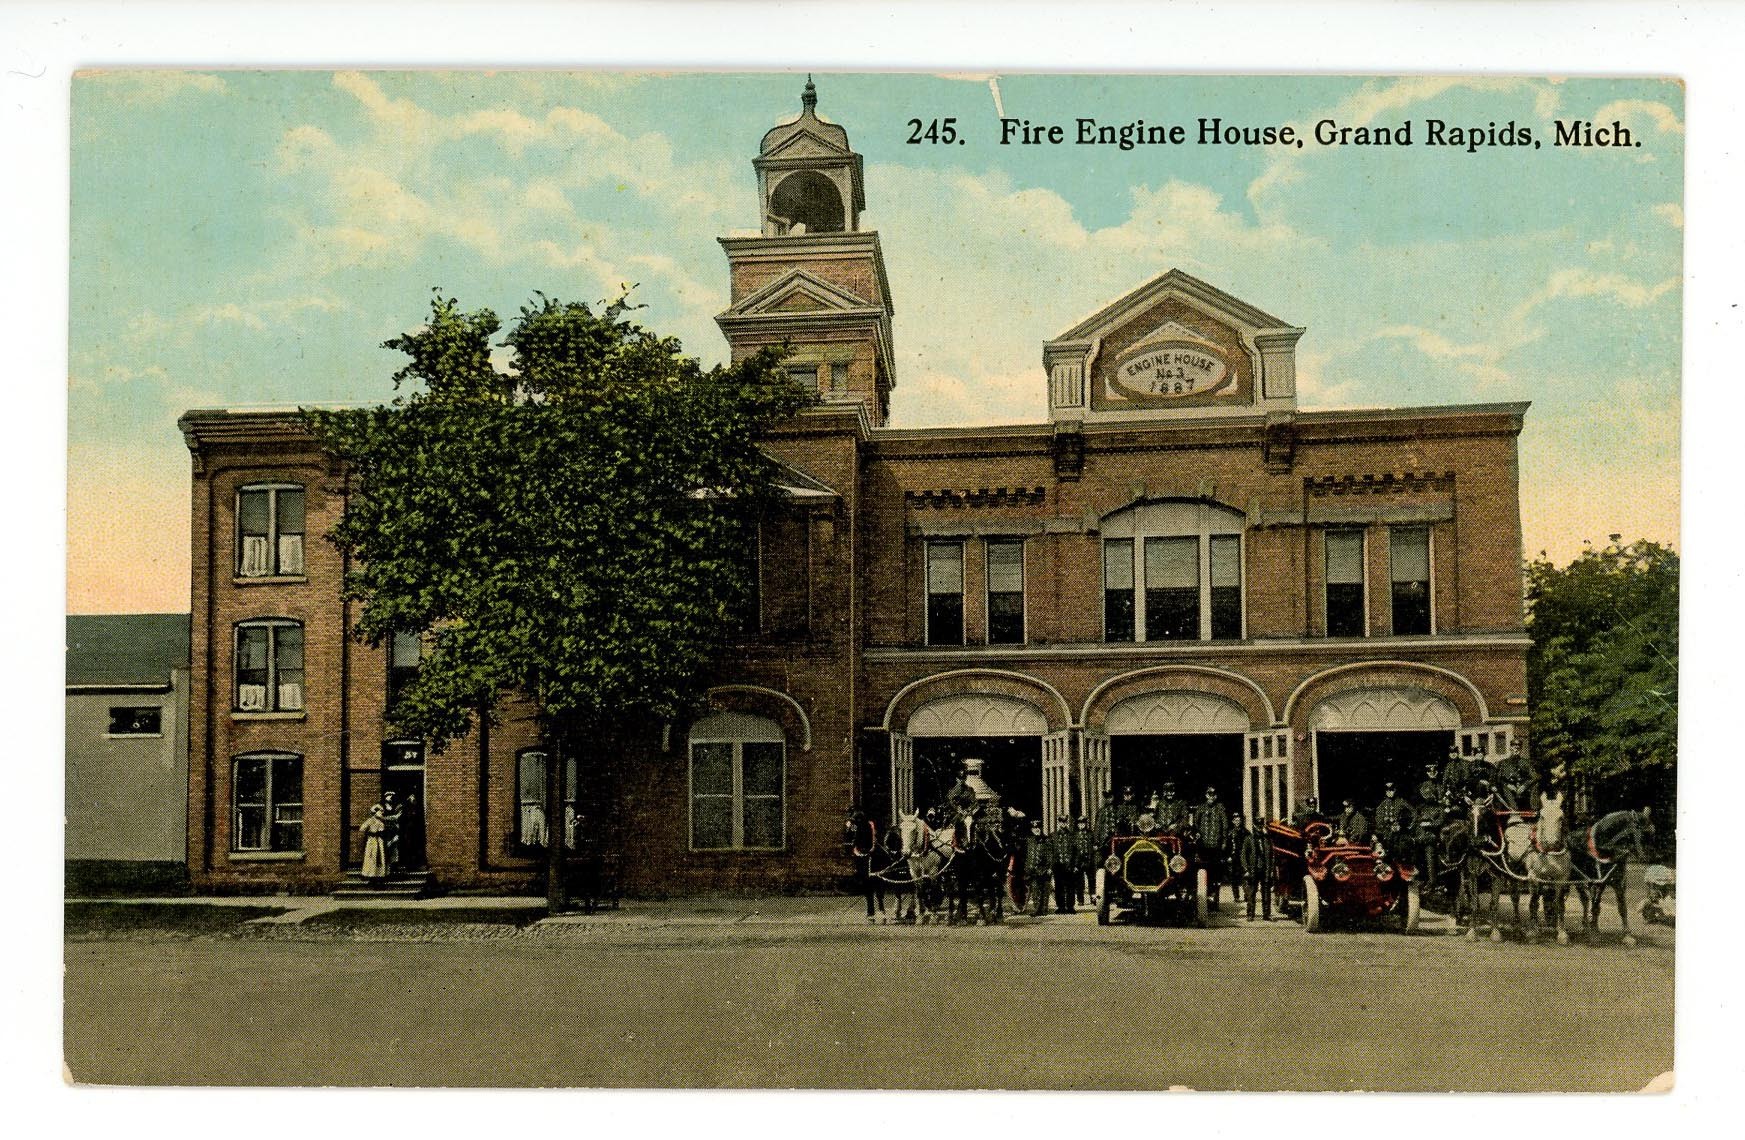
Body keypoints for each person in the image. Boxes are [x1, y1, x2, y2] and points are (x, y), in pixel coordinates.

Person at [1192, 785, 1231, 906]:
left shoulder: (1220, 809)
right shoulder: (1200, 808)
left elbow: (1225, 826)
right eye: (1209, 794)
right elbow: (1195, 824)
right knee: (1202, 870)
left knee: (1216, 872)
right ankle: (1202, 897)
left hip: (1216, 846)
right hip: (1203, 845)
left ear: (1216, 796)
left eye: (1213, 795)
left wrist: (1224, 842)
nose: (1211, 797)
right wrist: (1196, 835)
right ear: (1205, 795)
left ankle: (1215, 899)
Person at [1236, 814, 1272, 921]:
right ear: (1254, 825)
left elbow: (1272, 855)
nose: (1259, 828)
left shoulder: (1267, 839)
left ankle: (1266, 914)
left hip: (1265, 869)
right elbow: (1243, 856)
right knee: (1251, 893)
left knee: (1266, 894)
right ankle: (1250, 915)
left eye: (1261, 826)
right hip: (1253, 870)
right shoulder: (1248, 839)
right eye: (1257, 826)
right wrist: (1246, 870)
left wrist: (1271, 870)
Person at [1372, 780, 1414, 852]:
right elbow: (1379, 821)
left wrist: (1408, 827)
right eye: (1387, 790)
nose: (1389, 792)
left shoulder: (1402, 802)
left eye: (1391, 789)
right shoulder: (1382, 805)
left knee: (1403, 846)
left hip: (1400, 833)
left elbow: (1414, 813)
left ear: (1395, 790)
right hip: (1386, 833)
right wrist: (1384, 829)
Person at [1049, 815, 1078, 914]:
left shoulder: (1072, 835)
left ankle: (1070, 907)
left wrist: (1075, 865)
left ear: (1067, 823)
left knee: (1070, 887)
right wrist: (1051, 866)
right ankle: (1061, 906)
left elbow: (1076, 852)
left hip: (1069, 866)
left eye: (1064, 822)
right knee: (1059, 887)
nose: (1063, 823)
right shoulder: (1053, 836)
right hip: (1058, 866)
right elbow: (1050, 852)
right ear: (1058, 823)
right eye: (1061, 822)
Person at [1022, 819, 1051, 917]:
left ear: (1041, 828)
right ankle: (1037, 909)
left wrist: (1049, 868)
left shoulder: (1046, 840)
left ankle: (1044, 909)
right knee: (1035, 890)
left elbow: (1050, 855)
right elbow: (1026, 855)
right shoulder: (1029, 840)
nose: (1036, 830)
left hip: (1044, 869)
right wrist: (1026, 868)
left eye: (1038, 827)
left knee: (1044, 890)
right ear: (1031, 830)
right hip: (1033, 870)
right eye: (1034, 828)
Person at [1073, 814, 1098, 906]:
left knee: (1092, 881)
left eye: (1083, 823)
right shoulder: (1074, 835)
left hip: (1089, 860)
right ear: (1077, 824)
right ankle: (1080, 899)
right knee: (1079, 882)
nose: (1081, 825)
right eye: (1080, 823)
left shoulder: (1091, 833)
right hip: (1078, 862)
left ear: (1086, 824)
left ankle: (1093, 898)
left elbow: (1095, 845)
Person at [359, 805, 389, 882]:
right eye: (380, 811)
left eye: (382, 811)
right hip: (372, 841)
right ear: (375, 812)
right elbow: (362, 828)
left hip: (380, 841)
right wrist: (371, 832)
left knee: (380, 857)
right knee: (372, 857)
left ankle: (379, 875)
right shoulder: (370, 820)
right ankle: (371, 875)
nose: (381, 813)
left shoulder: (382, 821)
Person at [380, 791, 404, 870]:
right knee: (386, 846)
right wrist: (392, 818)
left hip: (394, 830)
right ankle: (386, 866)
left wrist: (389, 818)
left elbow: (398, 816)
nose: (390, 797)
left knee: (394, 847)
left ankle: (394, 865)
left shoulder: (395, 807)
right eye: (388, 795)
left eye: (392, 795)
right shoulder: (382, 807)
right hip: (385, 830)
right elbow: (381, 817)